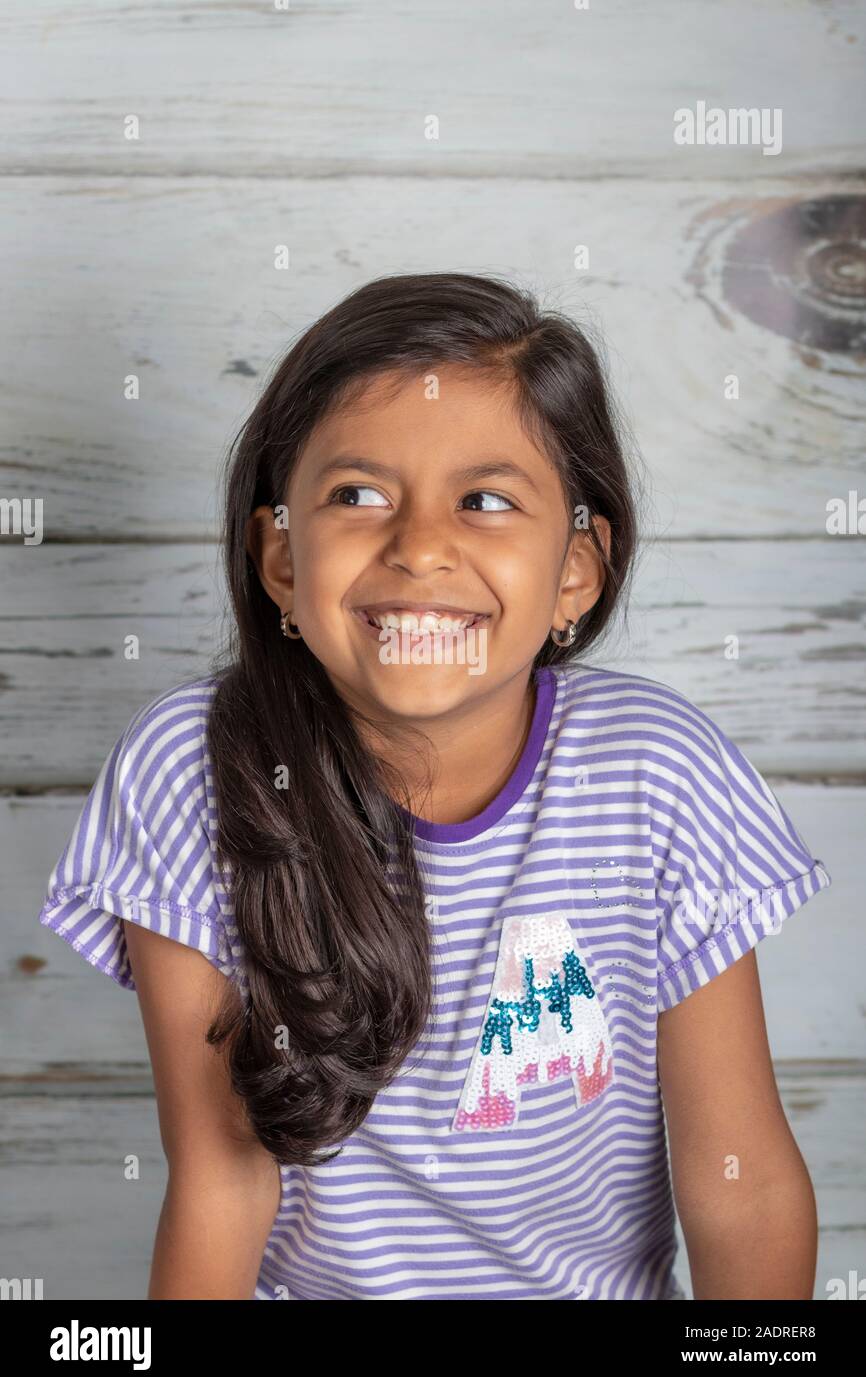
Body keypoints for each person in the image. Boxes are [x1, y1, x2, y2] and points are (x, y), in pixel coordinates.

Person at [39, 271, 831, 1300]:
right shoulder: (189, 769)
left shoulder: (657, 775)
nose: (418, 547)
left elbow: (740, 1184)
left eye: (485, 501)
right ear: (281, 556)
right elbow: (224, 1179)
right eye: (357, 495)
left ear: (574, 572)